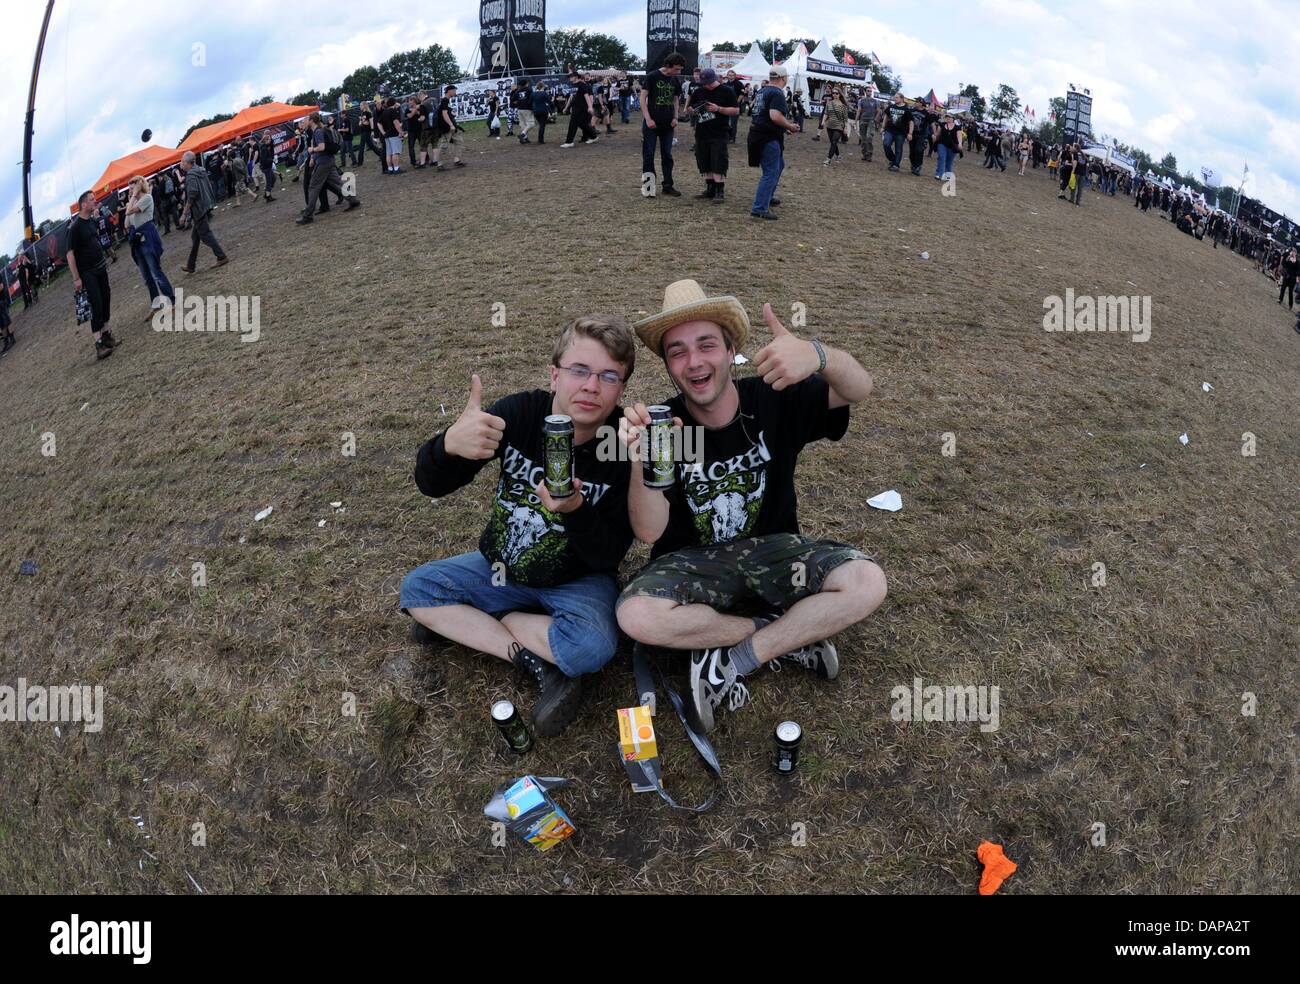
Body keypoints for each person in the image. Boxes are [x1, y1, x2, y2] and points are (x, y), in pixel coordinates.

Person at [615, 279, 887, 733]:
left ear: (731, 348)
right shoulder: (665, 429)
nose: (695, 361)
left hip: (775, 550)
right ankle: (788, 634)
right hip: (691, 564)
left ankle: (736, 659)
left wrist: (819, 355)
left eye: (706, 345)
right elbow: (647, 533)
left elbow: (859, 388)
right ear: (667, 365)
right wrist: (639, 462)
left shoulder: (773, 397)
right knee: (635, 615)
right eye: (677, 351)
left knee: (867, 581)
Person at [401, 316, 639, 737]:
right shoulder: (519, 414)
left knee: (593, 648)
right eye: (579, 370)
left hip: (577, 582)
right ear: (554, 374)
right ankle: (524, 654)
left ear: (621, 388)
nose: (590, 387)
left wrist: (576, 509)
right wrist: (446, 446)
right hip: (500, 568)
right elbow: (431, 485)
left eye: (608, 376)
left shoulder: (622, 446)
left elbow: (608, 555)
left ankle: (487, 620)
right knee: (417, 589)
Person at [66, 191, 117, 361]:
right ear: (83, 205)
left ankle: (106, 335)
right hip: (87, 273)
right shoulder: (75, 227)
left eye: (94, 199)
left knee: (106, 298)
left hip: (101, 267)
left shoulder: (92, 222)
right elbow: (70, 254)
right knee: (96, 303)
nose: (95, 201)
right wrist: (76, 278)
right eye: (91, 199)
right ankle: (99, 344)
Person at [748, 67, 798, 220]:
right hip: (767, 137)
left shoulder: (763, 91)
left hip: (759, 134)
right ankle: (759, 208)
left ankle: (767, 197)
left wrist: (783, 128)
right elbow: (775, 116)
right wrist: (789, 126)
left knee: (779, 166)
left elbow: (764, 115)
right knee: (771, 172)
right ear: (783, 77)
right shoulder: (777, 93)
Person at [296, 113, 361, 225]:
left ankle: (308, 215)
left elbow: (322, 147)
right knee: (338, 183)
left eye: (306, 120)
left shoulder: (318, 132)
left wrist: (312, 150)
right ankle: (353, 200)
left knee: (313, 186)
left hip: (323, 163)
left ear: (312, 121)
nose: (304, 122)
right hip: (329, 161)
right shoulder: (320, 130)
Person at [123, 175, 175, 317]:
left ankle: (172, 302)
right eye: (130, 188)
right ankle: (156, 305)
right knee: (147, 277)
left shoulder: (147, 198)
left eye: (133, 187)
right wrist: (130, 201)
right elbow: (126, 225)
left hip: (147, 238)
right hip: (137, 241)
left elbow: (128, 212)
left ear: (140, 186)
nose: (130, 191)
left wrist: (132, 199)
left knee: (156, 272)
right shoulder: (133, 202)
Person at [689, 68, 739, 202]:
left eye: (709, 83)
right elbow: (689, 107)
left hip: (719, 132)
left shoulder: (727, 91)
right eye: (704, 83)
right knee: (704, 161)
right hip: (701, 133)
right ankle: (710, 189)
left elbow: (735, 110)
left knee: (718, 161)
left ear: (715, 79)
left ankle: (719, 190)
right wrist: (693, 110)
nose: (706, 86)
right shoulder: (699, 91)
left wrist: (718, 109)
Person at [640, 53, 685, 196]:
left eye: (680, 70)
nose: (678, 72)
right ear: (668, 66)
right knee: (648, 155)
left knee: (667, 155)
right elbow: (642, 98)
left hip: (668, 124)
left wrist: (675, 117)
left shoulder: (675, 80)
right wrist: (648, 119)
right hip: (651, 124)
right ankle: (648, 187)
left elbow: (676, 99)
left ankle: (668, 185)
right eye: (677, 69)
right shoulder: (652, 76)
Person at [177, 150, 228, 273]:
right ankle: (191, 265)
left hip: (199, 209)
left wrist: (184, 214)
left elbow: (193, 194)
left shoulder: (191, 175)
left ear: (187, 162)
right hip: (205, 205)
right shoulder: (200, 170)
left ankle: (221, 256)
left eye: (182, 161)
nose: (181, 163)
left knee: (206, 236)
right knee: (196, 238)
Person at [561, 70, 600, 149]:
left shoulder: (582, 85)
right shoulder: (573, 85)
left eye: (571, 77)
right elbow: (571, 97)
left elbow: (587, 96)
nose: (569, 79)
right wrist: (566, 107)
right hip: (575, 107)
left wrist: (590, 107)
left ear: (575, 77)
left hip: (582, 108)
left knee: (573, 124)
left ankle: (569, 142)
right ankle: (594, 136)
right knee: (583, 124)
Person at [434, 85, 467, 170]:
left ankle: (457, 160)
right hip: (446, 127)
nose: (455, 92)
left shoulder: (446, 100)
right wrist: (451, 125)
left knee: (459, 141)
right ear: (449, 91)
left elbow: (445, 113)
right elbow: (444, 114)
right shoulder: (444, 100)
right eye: (454, 91)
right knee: (444, 145)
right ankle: (439, 164)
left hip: (451, 126)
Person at [882, 92, 909, 172]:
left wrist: (909, 133)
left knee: (898, 149)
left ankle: (896, 165)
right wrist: (883, 127)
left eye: (897, 97)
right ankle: (893, 159)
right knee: (886, 144)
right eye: (895, 97)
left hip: (901, 133)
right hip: (890, 130)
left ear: (901, 99)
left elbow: (911, 121)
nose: (895, 99)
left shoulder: (906, 109)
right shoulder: (891, 106)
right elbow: (886, 116)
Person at [823, 88, 848, 166]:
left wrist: (846, 128)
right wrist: (823, 121)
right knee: (833, 143)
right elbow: (826, 113)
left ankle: (828, 159)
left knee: (834, 142)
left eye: (836, 93)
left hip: (839, 126)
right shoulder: (829, 103)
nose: (835, 95)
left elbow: (845, 119)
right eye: (833, 93)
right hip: (830, 125)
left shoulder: (843, 106)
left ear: (840, 94)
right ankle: (838, 155)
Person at [380, 96, 405, 175]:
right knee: (395, 152)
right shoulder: (393, 111)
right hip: (394, 134)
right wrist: (401, 132)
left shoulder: (384, 112)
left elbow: (378, 123)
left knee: (389, 153)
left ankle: (390, 169)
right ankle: (396, 168)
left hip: (387, 135)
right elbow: (396, 123)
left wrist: (383, 132)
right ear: (394, 103)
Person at [934, 114, 962, 180]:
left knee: (949, 161)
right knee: (941, 157)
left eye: (949, 117)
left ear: (953, 118)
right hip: (942, 144)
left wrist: (960, 144)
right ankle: (939, 174)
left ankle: (948, 174)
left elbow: (959, 136)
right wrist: (934, 135)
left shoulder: (957, 127)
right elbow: (937, 134)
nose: (948, 118)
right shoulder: (942, 124)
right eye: (946, 117)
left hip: (952, 146)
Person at [857, 92, 879, 162]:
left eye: (870, 90)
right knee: (863, 139)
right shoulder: (861, 100)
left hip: (871, 121)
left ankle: (869, 154)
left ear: (871, 92)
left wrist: (876, 118)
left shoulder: (875, 101)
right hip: (863, 120)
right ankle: (864, 154)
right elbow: (859, 110)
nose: (868, 92)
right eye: (867, 90)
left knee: (869, 137)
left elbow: (879, 111)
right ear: (866, 92)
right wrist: (856, 119)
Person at [513, 79, 535, 144]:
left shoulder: (517, 91)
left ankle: (524, 138)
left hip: (519, 109)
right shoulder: (529, 89)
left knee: (523, 124)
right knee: (531, 124)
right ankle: (522, 134)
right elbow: (532, 98)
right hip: (527, 108)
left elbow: (513, 100)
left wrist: (519, 103)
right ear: (526, 84)